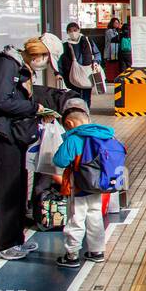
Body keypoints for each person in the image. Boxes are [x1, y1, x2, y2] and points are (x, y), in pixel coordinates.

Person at [0, 38, 47, 260]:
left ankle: (15, 240)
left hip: (11, 137)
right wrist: (33, 107)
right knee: (1, 192)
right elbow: (1, 101)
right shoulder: (6, 65)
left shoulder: (16, 66)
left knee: (14, 191)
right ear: (36, 56)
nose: (44, 63)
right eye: (45, 58)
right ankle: (1, 245)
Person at [52, 103, 122, 268]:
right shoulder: (105, 135)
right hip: (99, 187)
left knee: (76, 220)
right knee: (95, 218)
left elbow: (59, 161)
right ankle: (96, 252)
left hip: (79, 189)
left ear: (69, 124)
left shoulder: (74, 139)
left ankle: (72, 255)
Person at [60, 22, 100, 106]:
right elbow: (60, 61)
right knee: (74, 96)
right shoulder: (65, 45)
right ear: (67, 32)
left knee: (86, 97)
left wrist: (96, 61)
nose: (73, 33)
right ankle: (78, 113)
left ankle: (85, 114)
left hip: (87, 73)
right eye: (70, 31)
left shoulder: (87, 41)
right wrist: (59, 73)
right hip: (71, 75)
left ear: (79, 30)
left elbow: (96, 53)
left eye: (75, 30)